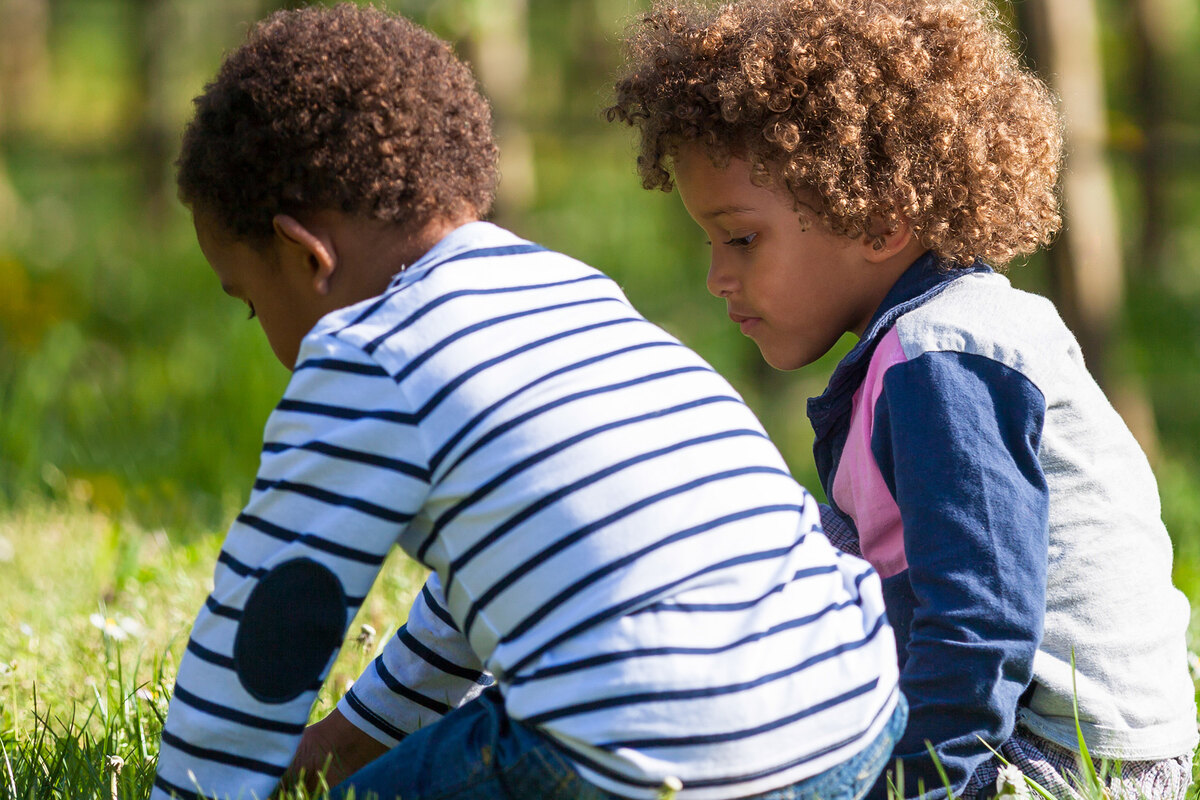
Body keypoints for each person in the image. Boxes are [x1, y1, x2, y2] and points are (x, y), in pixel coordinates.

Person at [151, 5, 904, 800]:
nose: (264, 331)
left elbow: (268, 626)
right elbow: (482, 584)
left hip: (648, 750)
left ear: (306, 256)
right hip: (851, 720)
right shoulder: (564, 287)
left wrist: (194, 784)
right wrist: (344, 741)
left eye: (249, 300)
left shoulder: (364, 354)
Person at [607, 1, 1197, 799]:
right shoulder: (922, 346)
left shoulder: (945, 355)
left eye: (741, 238)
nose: (717, 277)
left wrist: (911, 786)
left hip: (1050, 758)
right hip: (1013, 728)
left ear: (880, 219)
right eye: (709, 244)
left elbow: (979, 626)